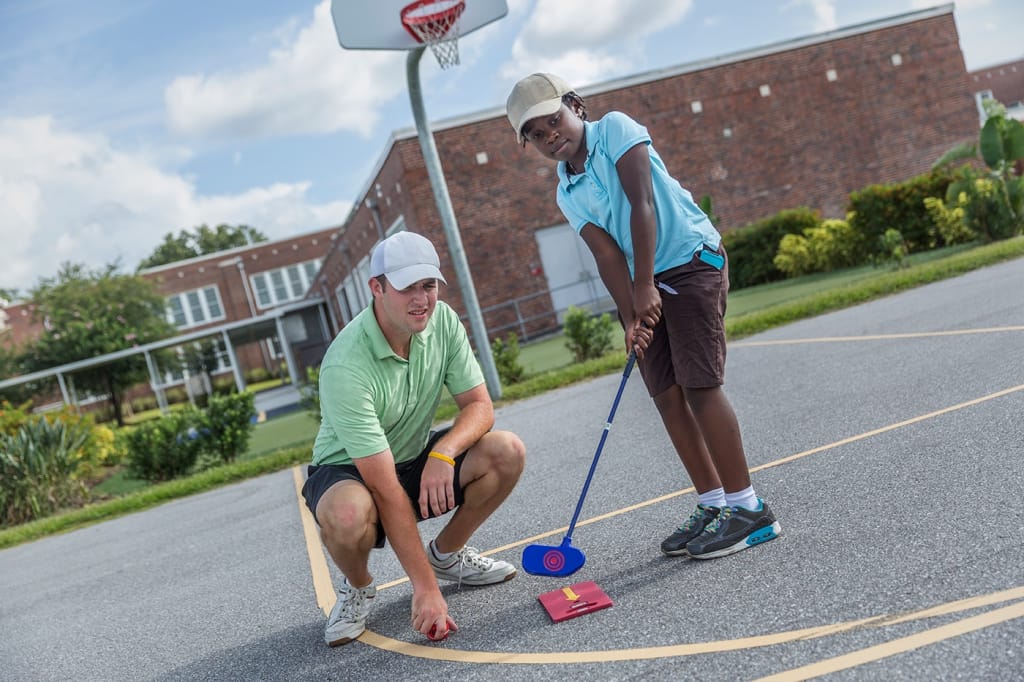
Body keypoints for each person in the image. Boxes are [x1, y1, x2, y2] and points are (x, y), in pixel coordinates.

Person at [506, 73, 780, 562]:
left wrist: (646, 284)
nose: (551, 135)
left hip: (690, 262)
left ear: (575, 106)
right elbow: (607, 254)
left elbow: (643, 204)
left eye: (555, 120)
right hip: (641, 283)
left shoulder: (615, 130)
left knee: (699, 386)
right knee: (666, 395)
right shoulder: (567, 190)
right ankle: (714, 502)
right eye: (537, 133)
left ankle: (750, 509)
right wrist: (631, 315)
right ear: (529, 144)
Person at [302, 230, 525, 647]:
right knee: (347, 517)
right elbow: (384, 487)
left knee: (505, 451)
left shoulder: (443, 321)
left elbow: (480, 406)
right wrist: (424, 591)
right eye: (407, 288)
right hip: (349, 472)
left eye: (429, 285)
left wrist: (444, 453)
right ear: (378, 288)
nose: (421, 299)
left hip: (414, 456)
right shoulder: (345, 365)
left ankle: (447, 556)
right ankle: (358, 586)